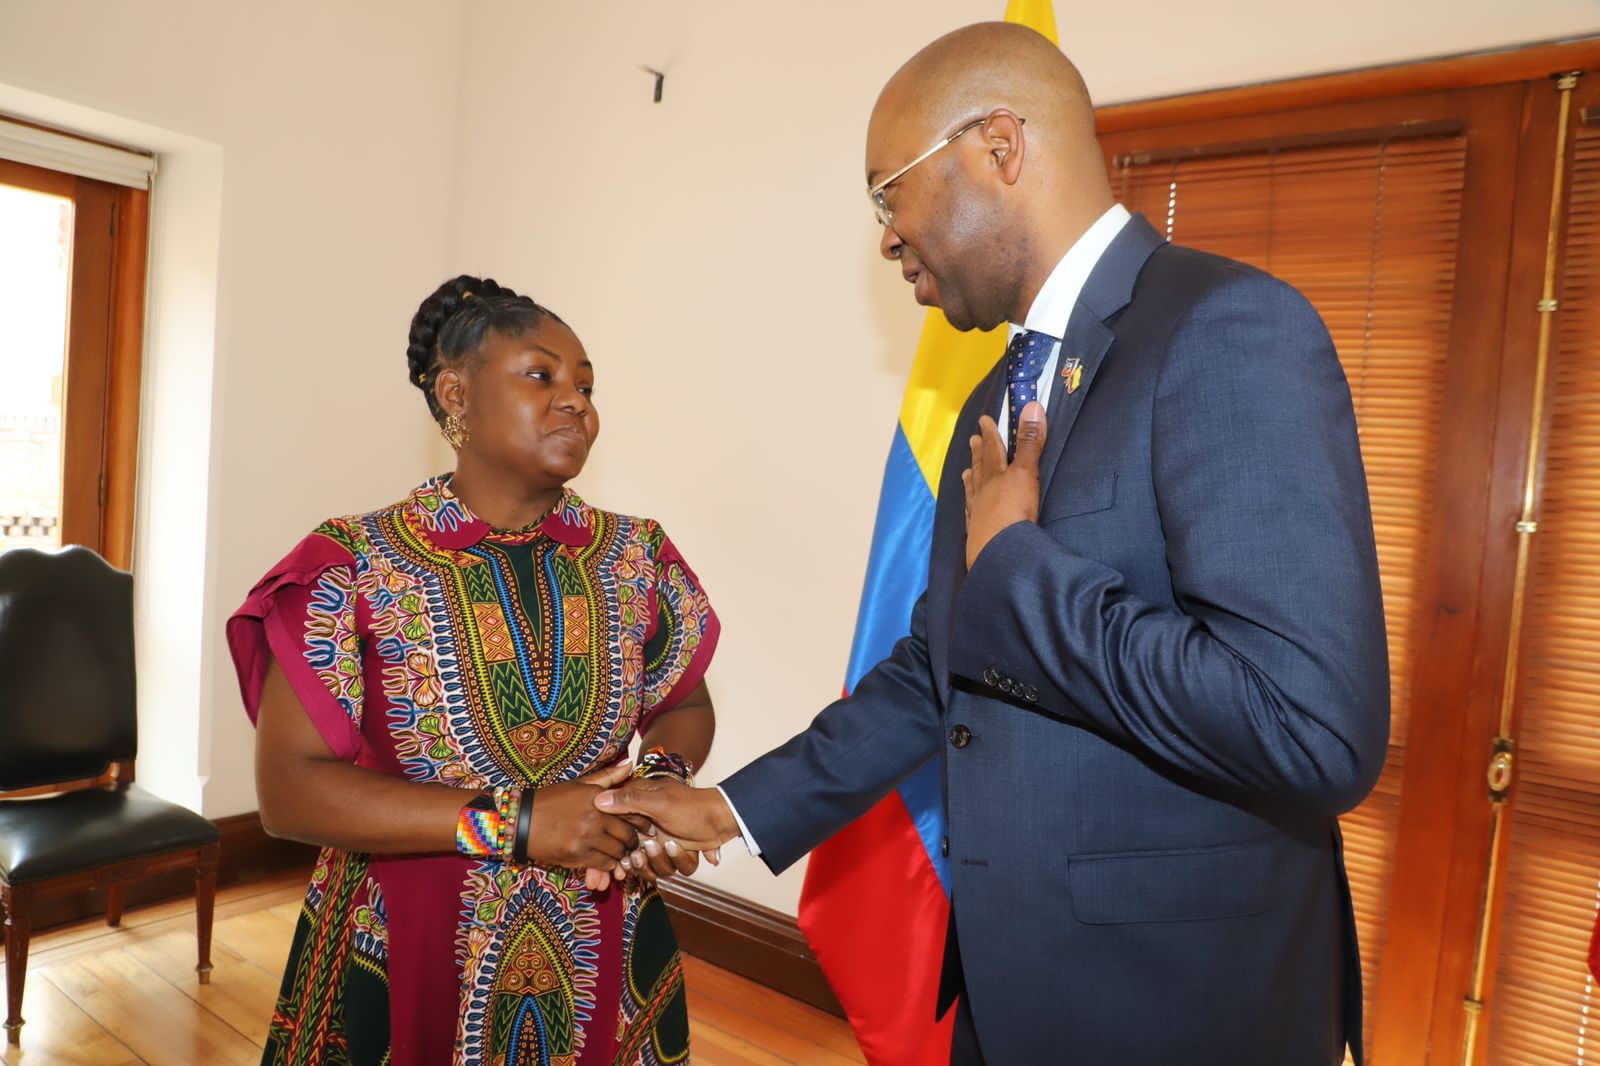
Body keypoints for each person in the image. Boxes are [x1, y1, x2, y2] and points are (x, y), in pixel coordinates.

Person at [594, 22, 1390, 1066]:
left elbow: (1309, 729)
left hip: (1178, 1007)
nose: (884, 236)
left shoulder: (1229, 327)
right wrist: (727, 808)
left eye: (889, 193)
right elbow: (943, 661)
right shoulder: (997, 385)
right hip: (1009, 988)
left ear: (999, 148)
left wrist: (1018, 564)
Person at [226, 275, 720, 1066]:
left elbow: (684, 700)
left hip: (599, 923)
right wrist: (518, 821)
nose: (576, 402)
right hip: (409, 928)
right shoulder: (349, 565)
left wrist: (652, 787)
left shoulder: (637, 555)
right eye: (542, 375)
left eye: (587, 386)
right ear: (455, 394)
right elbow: (288, 792)